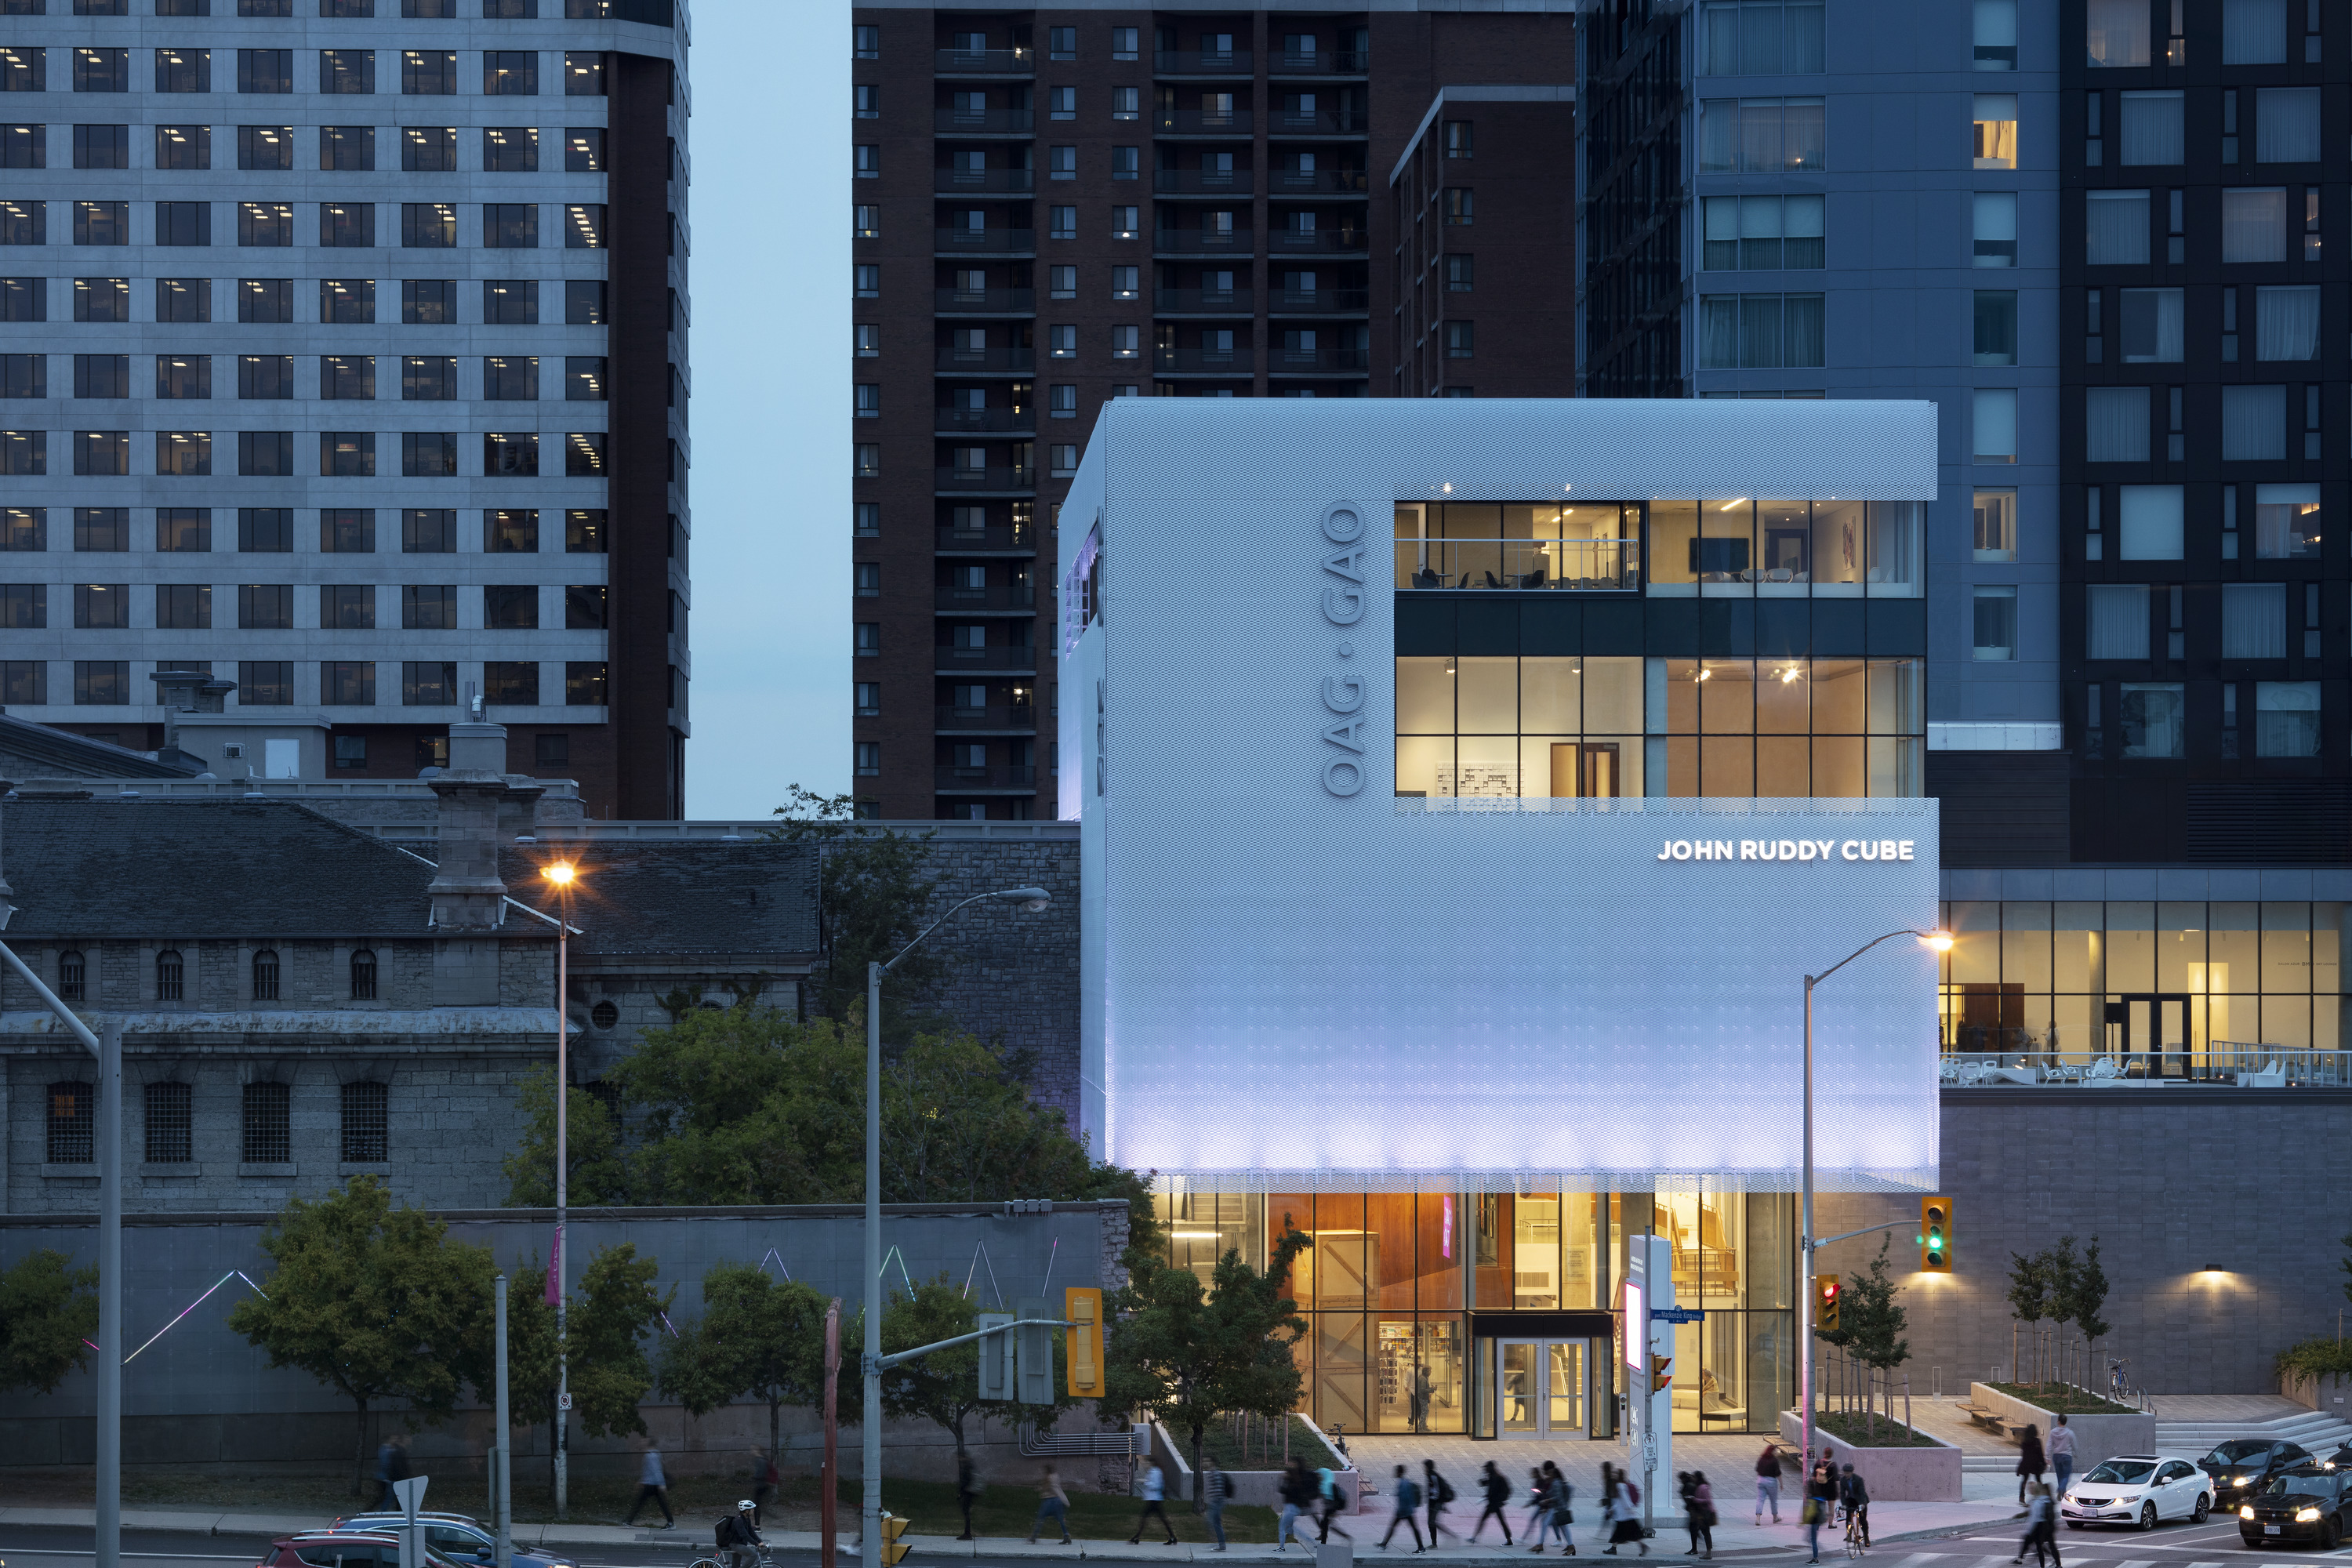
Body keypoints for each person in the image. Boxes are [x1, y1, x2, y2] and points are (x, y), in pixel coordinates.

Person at [625, 1439, 675, 1529]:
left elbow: (656, 1471)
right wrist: (641, 1481)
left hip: (652, 1484)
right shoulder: (655, 1454)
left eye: (643, 1441)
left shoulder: (651, 1455)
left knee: (640, 1503)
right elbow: (650, 1471)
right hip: (652, 1484)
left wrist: (661, 1484)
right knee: (661, 1504)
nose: (641, 1443)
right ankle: (671, 1522)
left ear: (648, 1444)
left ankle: (628, 1521)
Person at [1130, 1459, 1179, 1545]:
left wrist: (1146, 1482)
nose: (1146, 1464)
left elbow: (1157, 1485)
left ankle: (1137, 1537)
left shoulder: (1156, 1472)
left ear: (1152, 1463)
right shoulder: (1154, 1471)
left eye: (1148, 1462)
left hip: (1154, 1500)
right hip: (1153, 1499)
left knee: (1146, 1519)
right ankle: (1172, 1537)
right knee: (1158, 1519)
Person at [1381, 1464, 1426, 1552]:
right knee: (1407, 1528)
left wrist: (1402, 1510)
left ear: (1399, 1472)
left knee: (1409, 1528)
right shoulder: (1405, 1482)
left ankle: (1421, 1548)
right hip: (1406, 1510)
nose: (1395, 1473)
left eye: (1396, 1471)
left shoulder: (1402, 1484)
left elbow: (1405, 1498)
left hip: (1404, 1511)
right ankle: (1384, 1544)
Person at [2014, 1482, 2060, 1568]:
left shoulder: (2038, 1501)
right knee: (2047, 1546)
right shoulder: (2048, 1500)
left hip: (2040, 1526)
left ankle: (2022, 1559)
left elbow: (2035, 1517)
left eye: (2031, 1488)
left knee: (2038, 1546)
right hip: (2048, 1526)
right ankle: (2058, 1565)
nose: (2030, 1490)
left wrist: (2029, 1529)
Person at [1472, 1460, 1515, 1546]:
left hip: (1494, 1503)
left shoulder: (1495, 1477)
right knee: (1500, 1521)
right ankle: (1508, 1539)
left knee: (1486, 1520)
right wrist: (1484, 1476)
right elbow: (1484, 1483)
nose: (1485, 1469)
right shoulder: (1494, 1476)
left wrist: (1488, 1496)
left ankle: (1474, 1537)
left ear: (1490, 1468)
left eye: (1486, 1468)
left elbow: (1493, 1490)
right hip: (1494, 1503)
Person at [1279, 1457, 1318, 1552]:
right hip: (1292, 1506)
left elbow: (1285, 1490)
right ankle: (1311, 1542)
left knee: (1283, 1527)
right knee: (1289, 1528)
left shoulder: (1295, 1478)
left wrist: (1283, 1481)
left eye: (1292, 1462)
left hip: (1292, 1506)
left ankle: (1282, 1548)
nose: (1289, 1464)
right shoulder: (1294, 1476)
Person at [1604, 1468, 1646, 1558]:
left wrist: (1630, 1508)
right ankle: (1614, 1548)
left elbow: (1625, 1499)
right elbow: (1619, 1501)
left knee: (1624, 1533)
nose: (1614, 1476)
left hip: (1624, 1516)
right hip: (1625, 1515)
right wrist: (1613, 1508)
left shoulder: (1620, 1486)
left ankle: (1613, 1549)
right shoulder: (1622, 1485)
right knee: (1631, 1534)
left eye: (1616, 1474)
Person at [1802, 1461, 1838, 1564]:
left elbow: (1811, 1510)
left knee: (1812, 1539)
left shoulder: (1813, 1497)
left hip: (1815, 1519)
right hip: (1817, 1519)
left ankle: (1816, 1558)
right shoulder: (1821, 1492)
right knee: (1811, 1538)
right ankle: (1819, 1555)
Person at [1028, 1465, 1072, 1545]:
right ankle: (1066, 1536)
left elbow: (1044, 1488)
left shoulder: (1048, 1478)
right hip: (1058, 1501)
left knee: (1040, 1518)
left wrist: (1038, 1487)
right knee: (1061, 1519)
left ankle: (1034, 1537)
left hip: (1049, 1501)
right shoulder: (1056, 1477)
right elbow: (1057, 1489)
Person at [715, 1500, 764, 1568]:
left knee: (736, 1565)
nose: (753, 1510)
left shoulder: (746, 1519)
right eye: (752, 1509)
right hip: (734, 1544)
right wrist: (756, 1544)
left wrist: (760, 1541)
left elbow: (751, 1532)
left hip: (739, 1543)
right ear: (747, 1511)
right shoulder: (738, 1520)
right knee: (753, 1555)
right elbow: (744, 1535)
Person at [1541, 1463, 1577, 1555]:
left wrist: (1547, 1500)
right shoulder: (1557, 1482)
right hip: (1559, 1508)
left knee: (1547, 1524)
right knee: (1563, 1528)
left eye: (1550, 1474)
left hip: (1558, 1509)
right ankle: (1570, 1546)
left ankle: (1540, 1544)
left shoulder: (1556, 1483)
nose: (1548, 1475)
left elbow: (1557, 1497)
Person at [1318, 1461, 1356, 1544]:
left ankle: (1325, 1542)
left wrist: (1332, 1511)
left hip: (1332, 1508)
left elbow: (1328, 1498)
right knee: (1325, 1524)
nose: (1320, 1476)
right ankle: (1323, 1537)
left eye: (1321, 1475)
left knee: (1326, 1525)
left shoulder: (1327, 1485)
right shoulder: (1328, 1483)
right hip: (1331, 1507)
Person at [1425, 1460, 1458, 1547]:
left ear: (1428, 1467)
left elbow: (1437, 1491)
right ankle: (1437, 1541)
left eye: (1425, 1467)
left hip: (1435, 1503)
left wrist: (1434, 1501)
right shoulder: (1431, 1475)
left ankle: (1435, 1543)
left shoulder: (1433, 1476)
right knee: (1432, 1523)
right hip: (1435, 1503)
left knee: (1432, 1522)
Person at [1203, 1457, 1232, 1553]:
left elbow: (1219, 1489)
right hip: (1215, 1502)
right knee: (1215, 1523)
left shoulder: (1215, 1474)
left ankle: (1219, 1542)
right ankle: (1221, 1542)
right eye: (1204, 1461)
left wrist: (1214, 1502)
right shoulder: (1211, 1473)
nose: (1205, 1463)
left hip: (1217, 1502)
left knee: (1211, 1521)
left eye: (1207, 1461)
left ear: (1212, 1463)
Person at [2016, 1424, 2047, 1509]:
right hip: (2036, 1464)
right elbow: (2040, 1454)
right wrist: (2044, 1463)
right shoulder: (2037, 1441)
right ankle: (2042, 1497)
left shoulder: (2024, 1442)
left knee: (2024, 1481)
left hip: (2026, 1463)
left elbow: (2024, 1454)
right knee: (2039, 1480)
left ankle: (2021, 1498)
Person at [1838, 1464, 1868, 1550]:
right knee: (1848, 1518)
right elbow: (1842, 1494)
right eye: (1845, 1473)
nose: (1846, 1475)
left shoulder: (1858, 1479)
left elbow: (1862, 1492)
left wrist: (1862, 1504)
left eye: (1848, 1473)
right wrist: (1844, 1504)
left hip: (1861, 1500)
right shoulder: (1843, 1480)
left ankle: (1866, 1537)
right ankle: (1849, 1535)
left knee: (1862, 1520)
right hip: (1851, 1500)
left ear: (1852, 1472)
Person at [956, 1449, 983, 1541]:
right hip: (971, 1491)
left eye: (959, 1457)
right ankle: (968, 1533)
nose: (959, 1459)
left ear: (962, 1457)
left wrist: (961, 1493)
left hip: (969, 1491)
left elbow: (966, 1480)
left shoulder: (967, 1466)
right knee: (966, 1511)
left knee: (966, 1512)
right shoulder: (970, 1464)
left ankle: (967, 1533)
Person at [2048, 1416, 2076, 1501]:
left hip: (2056, 1456)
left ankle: (2062, 1493)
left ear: (2058, 1421)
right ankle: (2061, 1489)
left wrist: (2047, 1456)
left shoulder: (2053, 1432)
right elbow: (2074, 1444)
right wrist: (2075, 1453)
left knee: (2060, 1476)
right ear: (2065, 1422)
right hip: (2067, 1456)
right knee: (2066, 1475)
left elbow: (2049, 1445)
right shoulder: (2070, 1433)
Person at [751, 1450, 780, 1528]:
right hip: (763, 1485)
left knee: (756, 1505)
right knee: (757, 1505)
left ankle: (757, 1526)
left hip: (762, 1485)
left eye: (753, 1450)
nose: (752, 1452)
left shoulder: (761, 1460)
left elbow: (761, 1474)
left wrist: (754, 1478)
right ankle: (757, 1525)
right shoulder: (763, 1460)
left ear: (758, 1451)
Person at [1755, 1443, 1782, 1526]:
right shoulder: (1774, 1460)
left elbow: (1757, 1469)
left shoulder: (1761, 1459)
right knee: (1773, 1501)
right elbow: (1778, 1473)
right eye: (1775, 1451)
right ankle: (1775, 1517)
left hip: (1760, 1480)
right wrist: (1781, 1484)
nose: (1776, 1453)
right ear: (1773, 1452)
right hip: (1771, 1481)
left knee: (1760, 1499)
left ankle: (1758, 1518)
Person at [1690, 1473, 1715, 1562]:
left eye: (1694, 1477)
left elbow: (1707, 1500)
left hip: (1706, 1513)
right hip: (1703, 1513)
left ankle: (1708, 1553)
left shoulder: (1703, 1487)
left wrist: (1695, 1500)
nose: (1693, 1479)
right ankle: (1708, 1552)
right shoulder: (1700, 1487)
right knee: (1705, 1532)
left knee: (1706, 1533)